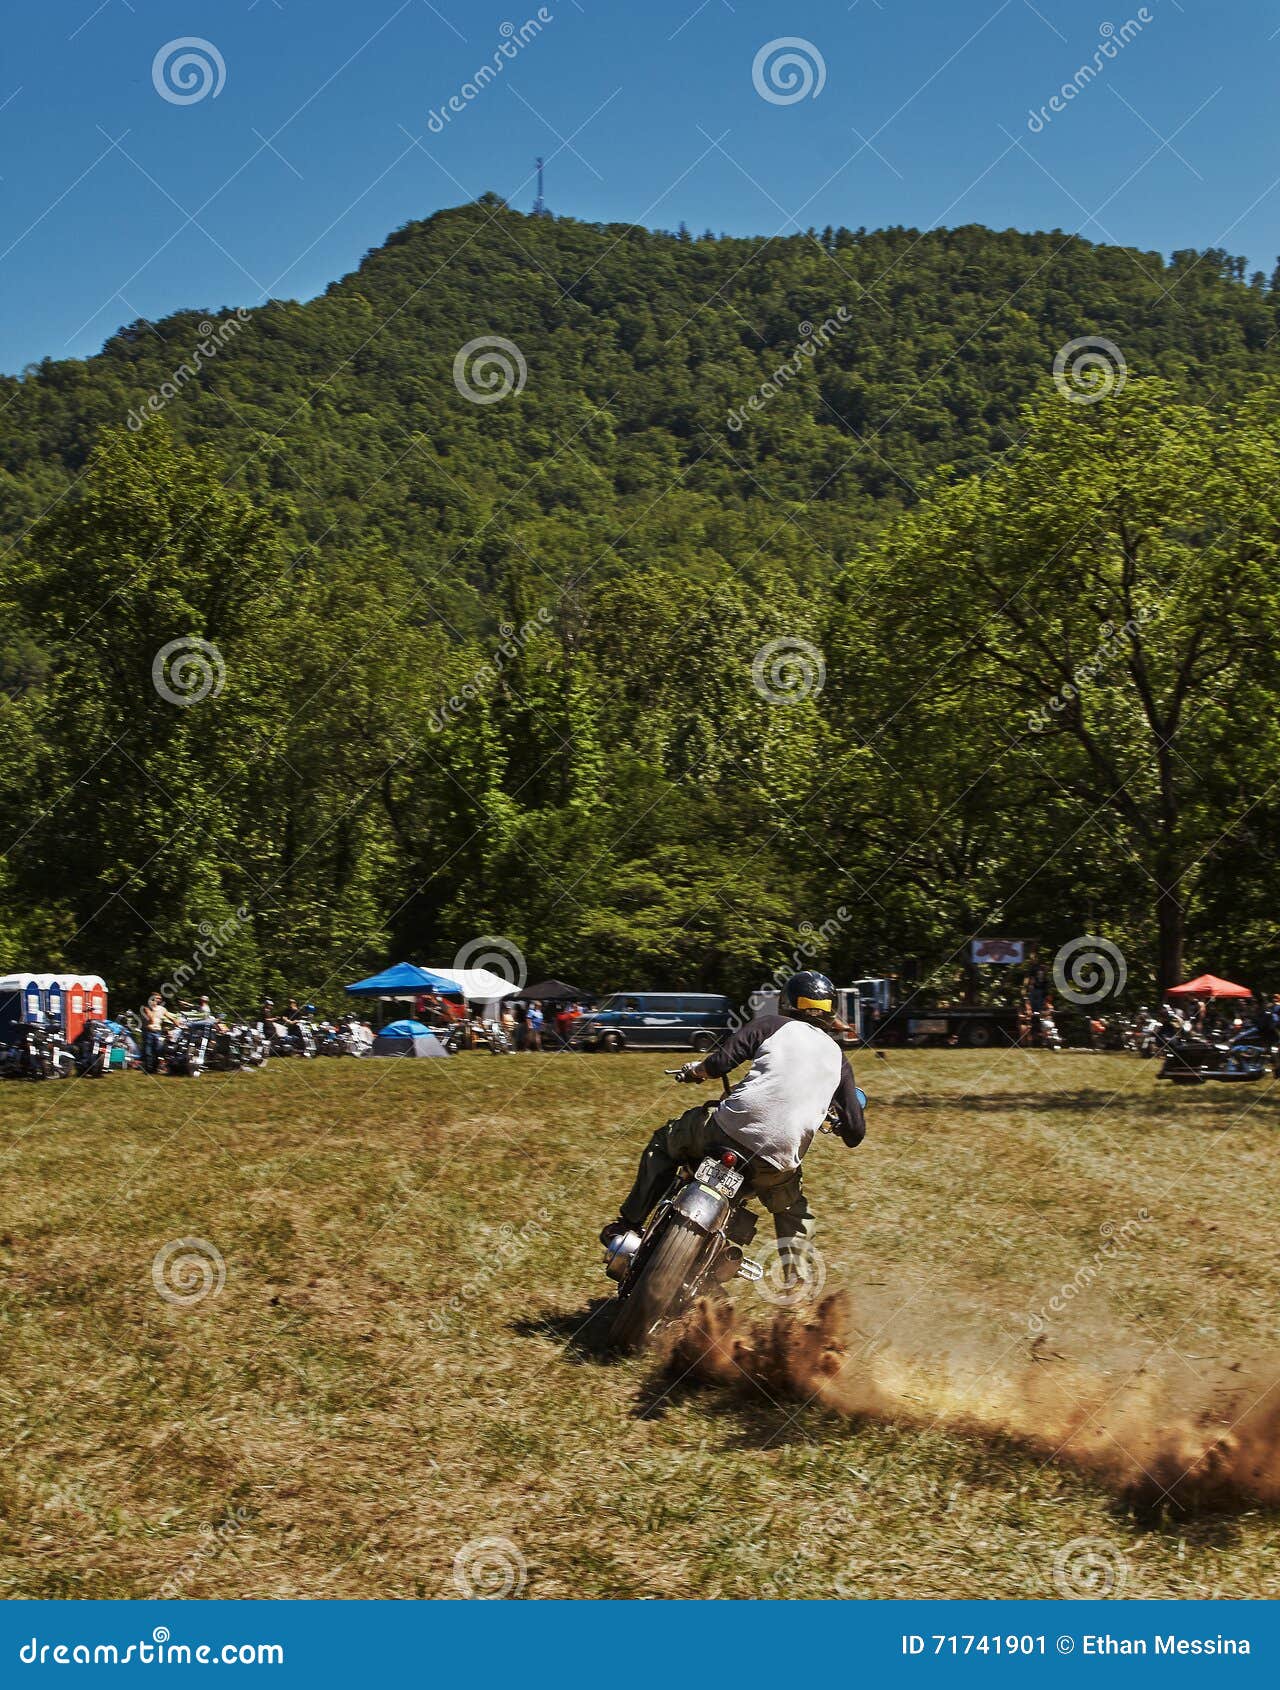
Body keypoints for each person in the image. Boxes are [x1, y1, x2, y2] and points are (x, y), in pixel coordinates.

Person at [600, 971, 866, 1281]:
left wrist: (695, 1071)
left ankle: (629, 1223)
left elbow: (719, 1064)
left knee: (665, 1142)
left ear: (786, 1003)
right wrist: (841, 1124)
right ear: (831, 1010)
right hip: (775, 1164)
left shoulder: (771, 1026)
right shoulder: (839, 1060)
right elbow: (855, 1134)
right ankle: (798, 1291)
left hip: (722, 1132)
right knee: (793, 1213)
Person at [140, 992, 176, 1074]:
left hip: (157, 1032)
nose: (158, 1000)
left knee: (158, 1050)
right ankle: (149, 1069)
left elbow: (171, 1017)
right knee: (148, 1052)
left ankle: (155, 1068)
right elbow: (151, 1019)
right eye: (156, 998)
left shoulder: (162, 1009)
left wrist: (177, 1023)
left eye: (159, 998)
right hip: (148, 1032)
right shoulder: (146, 1008)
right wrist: (152, 1008)